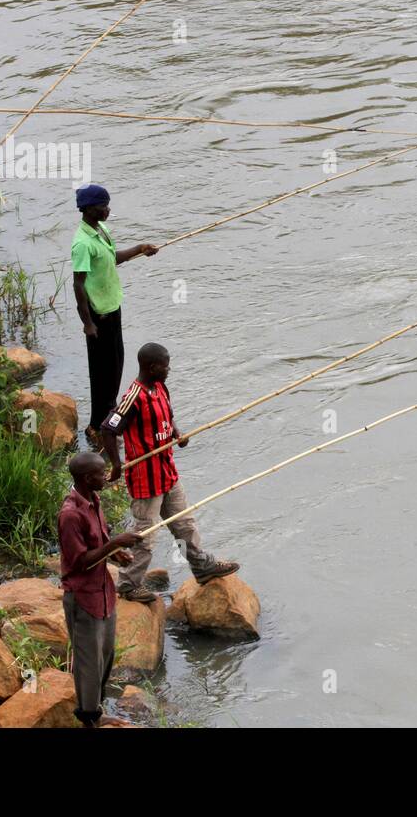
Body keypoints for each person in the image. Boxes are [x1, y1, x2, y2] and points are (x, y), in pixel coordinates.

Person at [101, 342, 238, 602]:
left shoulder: (160, 387)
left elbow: (168, 416)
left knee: (184, 523)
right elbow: (108, 429)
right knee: (146, 534)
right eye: (165, 365)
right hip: (145, 478)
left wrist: (176, 432)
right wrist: (117, 464)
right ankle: (129, 584)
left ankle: (202, 567)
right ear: (152, 368)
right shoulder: (134, 397)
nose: (169, 369)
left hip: (167, 472)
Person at [71, 184, 158, 445]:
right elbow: (78, 284)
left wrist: (140, 249)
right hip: (98, 316)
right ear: (88, 209)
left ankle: (108, 420)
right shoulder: (82, 243)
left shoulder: (102, 231)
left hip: (113, 307)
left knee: (116, 366)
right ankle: (97, 428)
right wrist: (87, 323)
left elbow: (113, 259)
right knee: (101, 373)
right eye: (103, 205)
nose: (108, 209)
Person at [58, 452, 140, 728]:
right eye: (100, 473)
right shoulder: (70, 515)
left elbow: (100, 543)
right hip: (83, 598)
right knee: (88, 663)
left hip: (104, 593)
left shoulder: (95, 500)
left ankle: (96, 710)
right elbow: (79, 561)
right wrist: (115, 543)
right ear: (85, 478)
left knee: (105, 656)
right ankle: (88, 718)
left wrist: (116, 553)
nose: (106, 476)